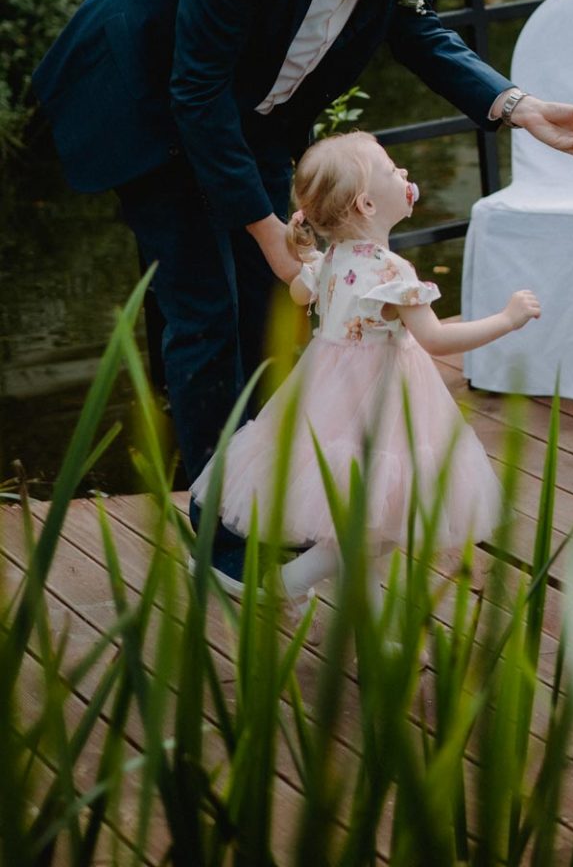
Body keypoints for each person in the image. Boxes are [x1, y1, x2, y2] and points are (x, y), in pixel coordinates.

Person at [32, 0, 573, 588]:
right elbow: (194, 91)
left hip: (251, 115)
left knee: (273, 307)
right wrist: (268, 230)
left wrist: (516, 106)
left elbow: (416, 29)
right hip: (148, 108)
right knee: (205, 309)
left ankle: (265, 500)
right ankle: (218, 530)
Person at [191, 131, 535, 605]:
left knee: (364, 522)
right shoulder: (392, 272)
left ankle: (367, 631)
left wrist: (308, 260)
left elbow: (298, 292)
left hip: (327, 399)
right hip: (382, 408)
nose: (406, 175)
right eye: (394, 170)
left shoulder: (334, 258)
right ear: (368, 205)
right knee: (377, 529)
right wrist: (506, 319)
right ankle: (288, 583)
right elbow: (435, 339)